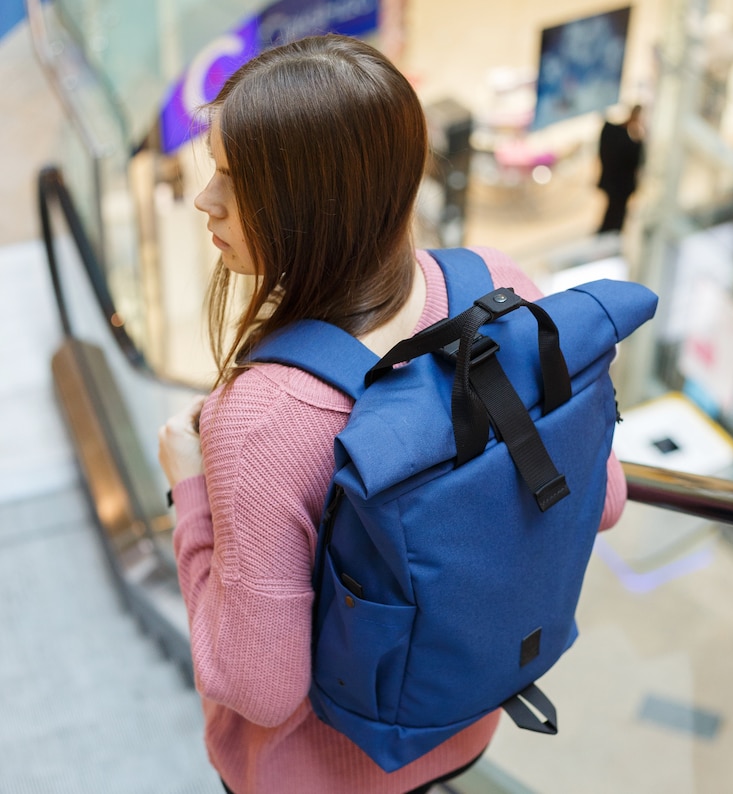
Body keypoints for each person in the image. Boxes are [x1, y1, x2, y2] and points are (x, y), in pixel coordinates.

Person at [158, 34, 628, 794]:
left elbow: (260, 687)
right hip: (461, 722)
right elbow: (601, 500)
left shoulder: (264, 420)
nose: (204, 199)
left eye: (231, 177)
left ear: (309, 205)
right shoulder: (497, 287)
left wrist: (190, 495)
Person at [596, 104, 645, 233]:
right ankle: (606, 234)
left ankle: (607, 233)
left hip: (618, 185)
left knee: (614, 214)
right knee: (614, 215)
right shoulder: (614, 134)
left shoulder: (614, 134)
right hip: (617, 185)